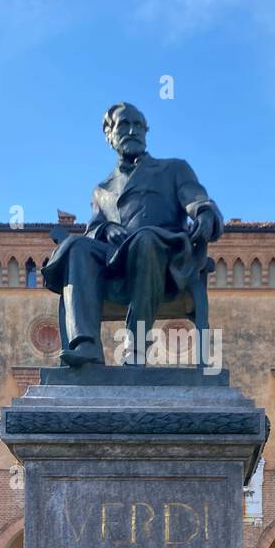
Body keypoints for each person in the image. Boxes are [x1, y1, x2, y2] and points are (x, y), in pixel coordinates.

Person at [42, 103, 223, 366]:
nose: (132, 131)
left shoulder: (173, 169)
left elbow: (197, 200)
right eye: (124, 125)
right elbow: (93, 228)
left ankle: (135, 345)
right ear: (109, 134)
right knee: (78, 247)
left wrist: (205, 215)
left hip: (166, 260)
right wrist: (105, 229)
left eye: (138, 125)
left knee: (146, 239)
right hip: (117, 263)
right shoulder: (102, 190)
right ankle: (86, 345)